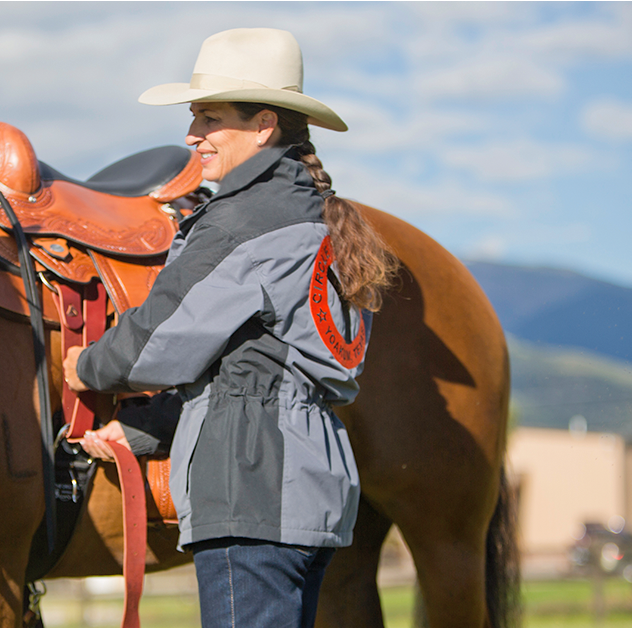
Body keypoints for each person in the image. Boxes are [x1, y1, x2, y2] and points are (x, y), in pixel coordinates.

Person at [62, 28, 396, 627]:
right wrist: (140, 431)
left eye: (210, 118)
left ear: (263, 125)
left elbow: (150, 346)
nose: (193, 136)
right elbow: (254, 366)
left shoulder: (242, 219)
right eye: (195, 117)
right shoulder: (313, 213)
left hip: (251, 496)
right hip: (306, 492)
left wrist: (83, 364)